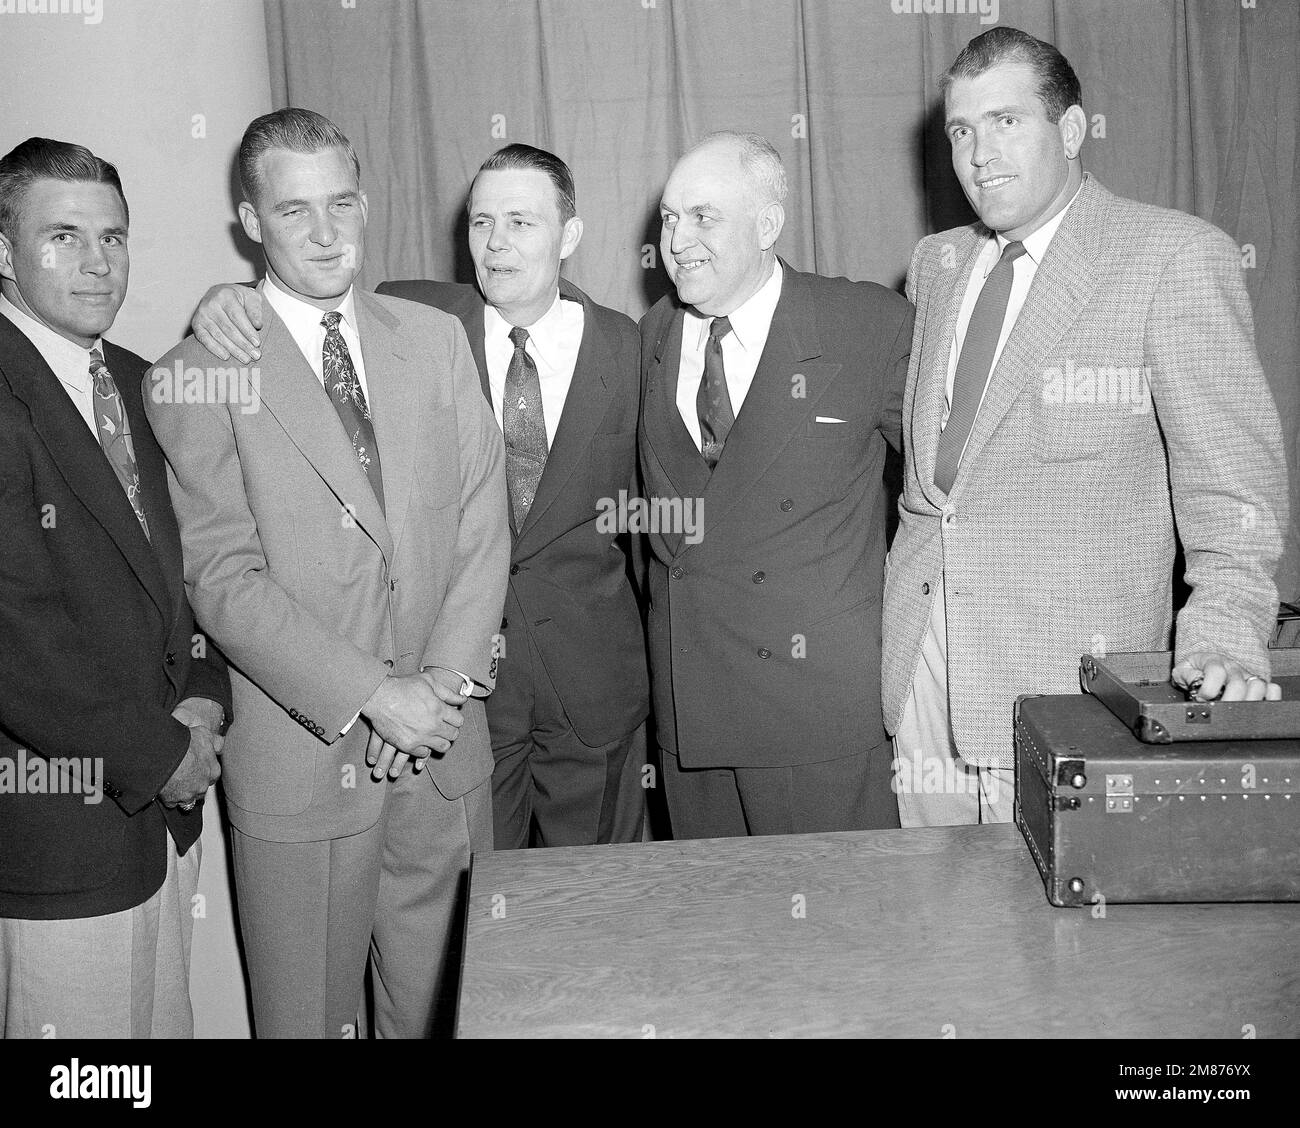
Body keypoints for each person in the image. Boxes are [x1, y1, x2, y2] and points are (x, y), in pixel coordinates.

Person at [144, 109, 509, 1038]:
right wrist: (375, 695)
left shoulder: (433, 340)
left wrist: (438, 686)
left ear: (365, 201)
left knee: (448, 1014)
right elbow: (223, 579)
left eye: (341, 202)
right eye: (293, 210)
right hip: (305, 762)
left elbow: (480, 523)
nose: (324, 232)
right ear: (250, 221)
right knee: (306, 1022)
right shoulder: (198, 373)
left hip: (442, 747)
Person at [883, 27, 1288, 827]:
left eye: (1006, 122)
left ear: (1070, 131)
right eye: (961, 130)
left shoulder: (1170, 258)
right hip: (923, 664)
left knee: (1050, 940)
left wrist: (1225, 633)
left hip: (1063, 688)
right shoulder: (937, 263)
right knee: (928, 931)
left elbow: (1232, 488)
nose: (978, 154)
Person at [191, 144, 649, 850]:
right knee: (473, 924)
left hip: (593, 688)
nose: (496, 243)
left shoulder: (631, 346)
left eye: (522, 222)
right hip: (455, 701)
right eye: (481, 221)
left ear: (571, 235)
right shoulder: (413, 319)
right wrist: (223, 299)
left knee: (595, 912)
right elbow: (300, 301)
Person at [0, 137, 230, 1038]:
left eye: (114, 236)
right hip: (58, 833)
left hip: (165, 825)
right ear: (5, 250)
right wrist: (157, 755)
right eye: (62, 236)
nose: (98, 261)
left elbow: (185, 576)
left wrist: (205, 703)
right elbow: (16, 637)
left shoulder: (138, 381)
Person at [640, 131, 913, 838]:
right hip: (691, 716)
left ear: (768, 224)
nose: (678, 240)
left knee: (837, 936)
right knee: (720, 937)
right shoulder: (651, 336)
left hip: (814, 714)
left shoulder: (865, 325)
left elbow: (954, 493)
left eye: (703, 217)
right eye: (669, 218)